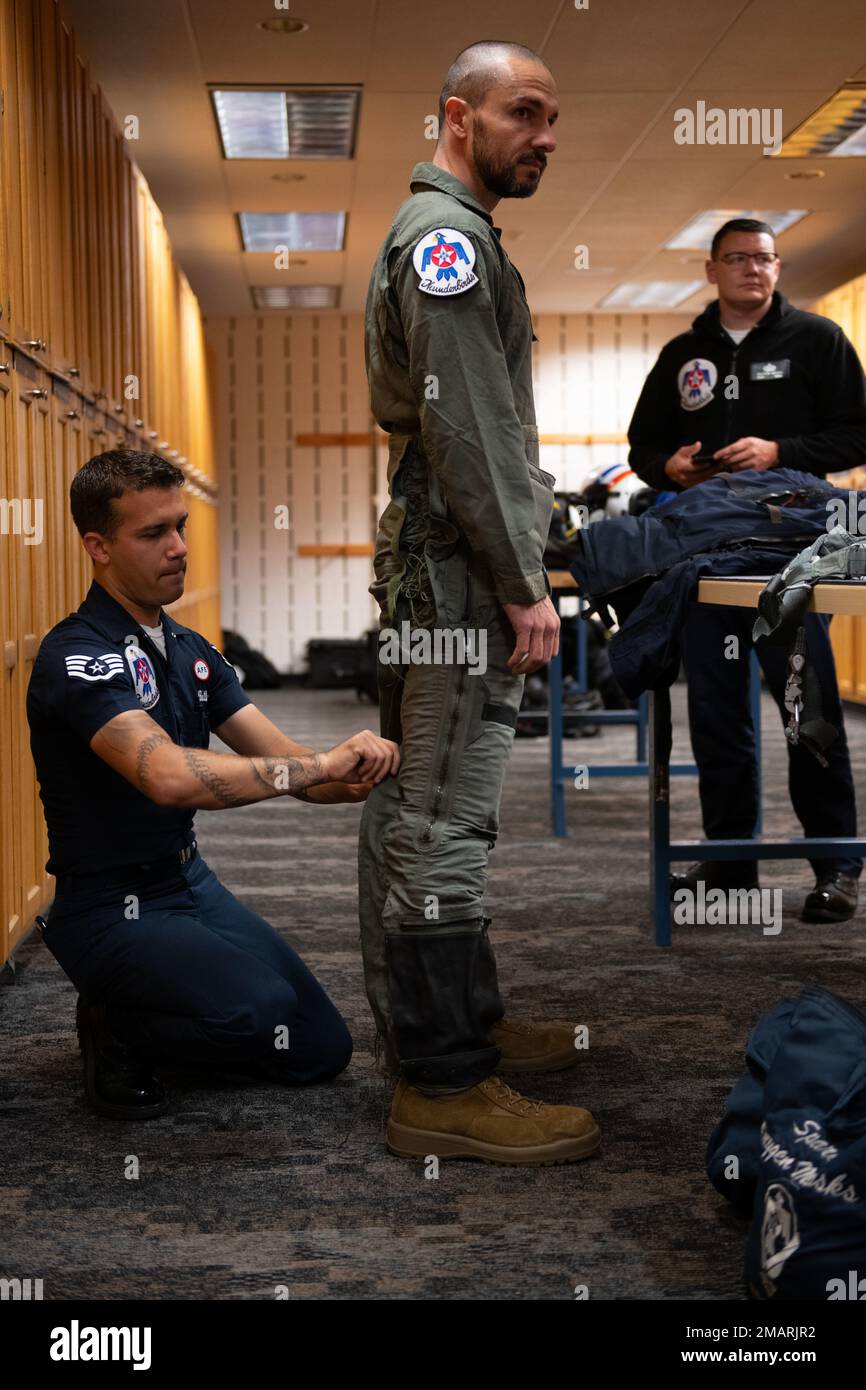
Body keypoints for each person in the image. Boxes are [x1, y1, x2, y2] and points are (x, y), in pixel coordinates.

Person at [359, 40, 600, 1165]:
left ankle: (456, 1032)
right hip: (458, 569)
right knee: (443, 818)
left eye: (551, 118)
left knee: (424, 804)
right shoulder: (445, 241)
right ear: (458, 116)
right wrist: (524, 583)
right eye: (523, 113)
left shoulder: (452, 235)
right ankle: (443, 1081)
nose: (543, 136)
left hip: (444, 558)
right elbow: (468, 435)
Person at [27, 450, 400, 1119]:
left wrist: (363, 767)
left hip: (186, 884)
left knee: (319, 1048)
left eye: (180, 526)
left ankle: (165, 1004)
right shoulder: (76, 657)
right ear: (98, 546)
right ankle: (115, 1020)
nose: (177, 548)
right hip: (109, 905)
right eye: (152, 534)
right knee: (256, 1012)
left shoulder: (194, 653)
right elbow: (166, 777)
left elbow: (297, 768)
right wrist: (315, 767)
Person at [628, 217, 866, 922]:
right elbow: (644, 446)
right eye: (737, 259)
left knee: (806, 709)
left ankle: (836, 864)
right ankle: (729, 863)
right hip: (703, 553)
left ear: (777, 265)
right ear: (712, 270)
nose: (751, 271)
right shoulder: (683, 353)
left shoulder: (817, 340)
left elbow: (858, 432)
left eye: (763, 259)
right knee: (715, 713)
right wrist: (666, 465)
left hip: (789, 549)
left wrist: (779, 450)